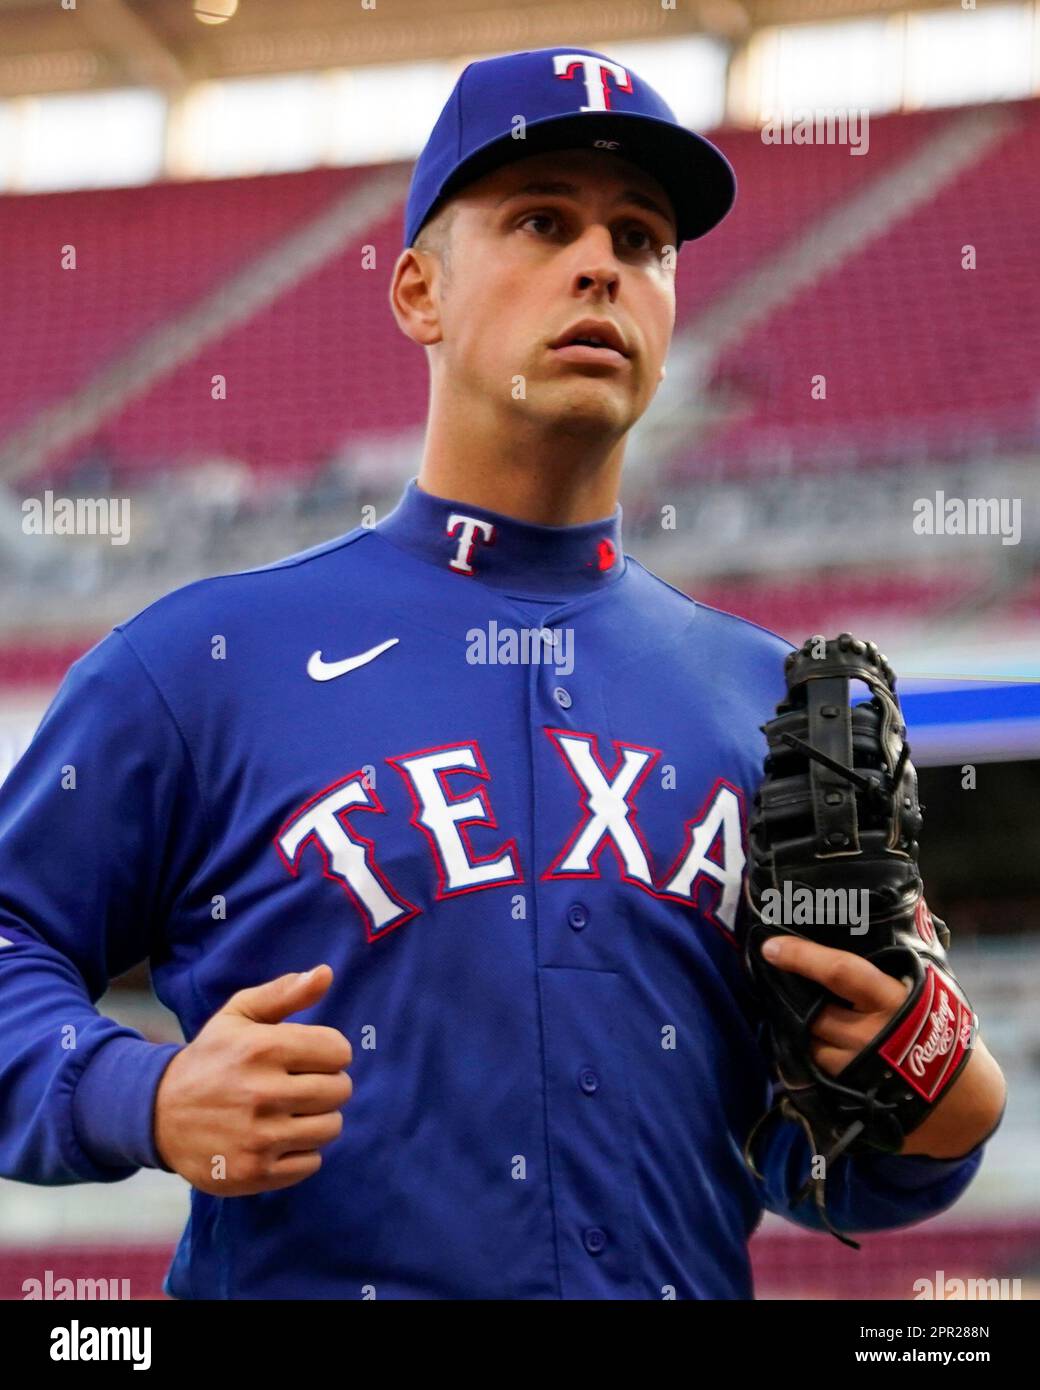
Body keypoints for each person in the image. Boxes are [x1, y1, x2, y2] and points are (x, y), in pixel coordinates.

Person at [0, 46, 1005, 1300]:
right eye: (541, 220)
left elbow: (819, 1166)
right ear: (417, 291)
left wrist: (940, 1097)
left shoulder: (772, 705)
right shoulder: (205, 662)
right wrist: (133, 1090)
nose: (600, 263)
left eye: (640, 240)